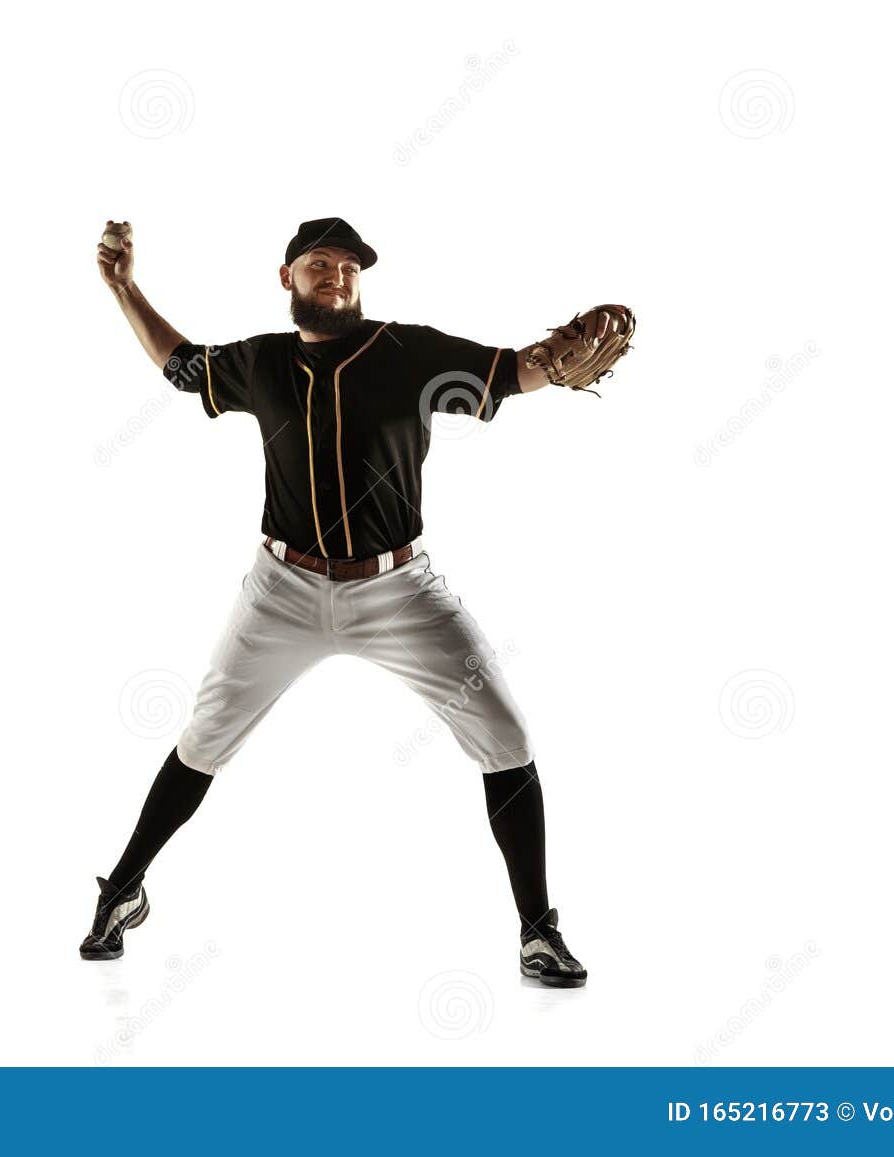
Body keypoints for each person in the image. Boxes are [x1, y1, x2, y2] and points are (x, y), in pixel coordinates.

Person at [83, 217, 634, 987]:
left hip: (398, 588)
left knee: (505, 733)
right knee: (205, 738)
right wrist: (125, 289)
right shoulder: (260, 362)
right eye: (320, 263)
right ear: (288, 278)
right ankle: (122, 889)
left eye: (349, 264)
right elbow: (180, 368)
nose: (337, 274)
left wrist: (551, 361)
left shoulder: (408, 352)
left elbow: (511, 371)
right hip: (281, 590)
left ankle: (538, 931)